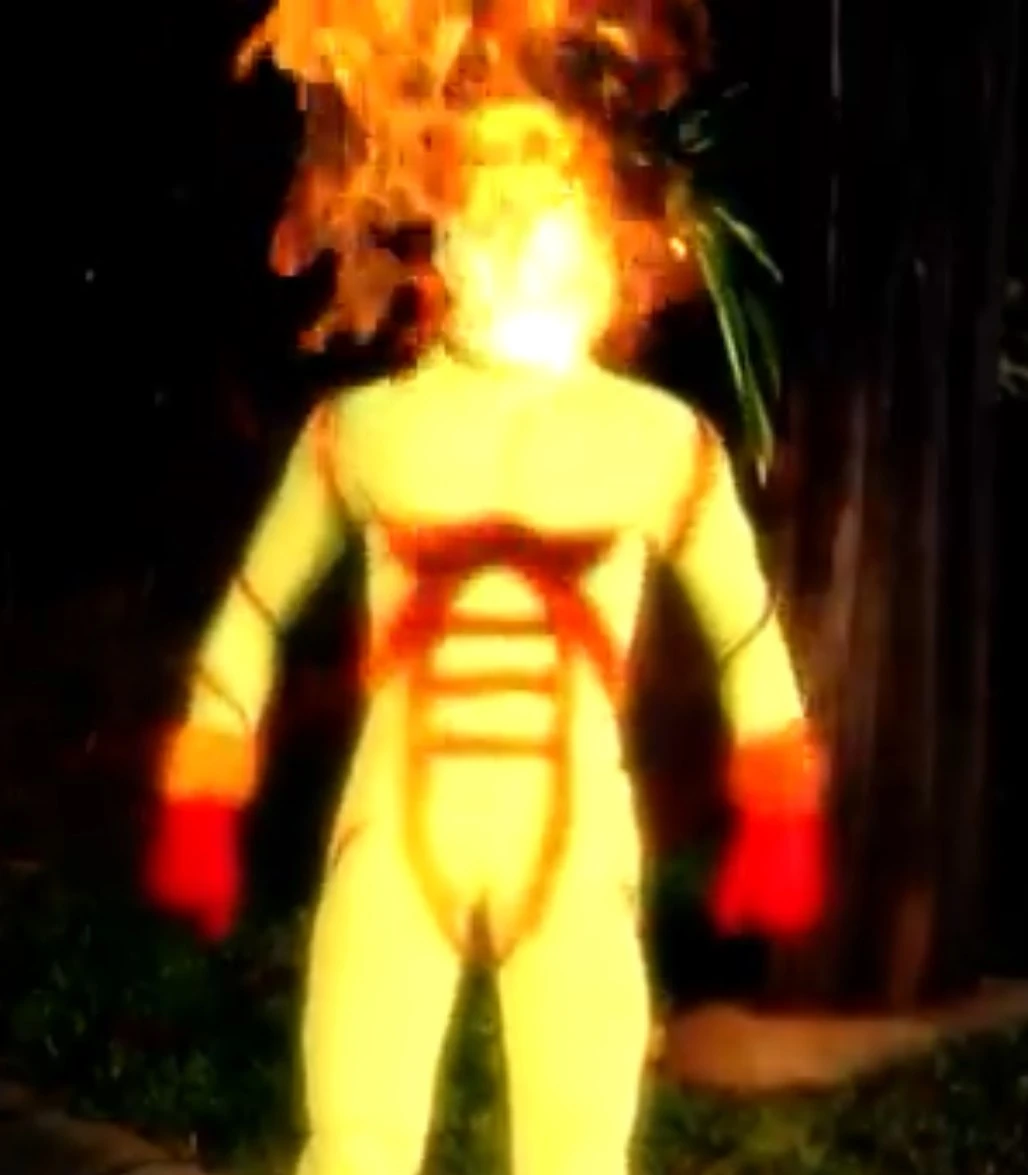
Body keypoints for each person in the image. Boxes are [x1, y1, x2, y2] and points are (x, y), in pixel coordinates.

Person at [144, 99, 827, 1175]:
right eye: (495, 209)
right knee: (356, 1138)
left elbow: (743, 628)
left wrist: (778, 803)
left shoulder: (658, 442)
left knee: (576, 1146)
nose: (520, 236)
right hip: (393, 831)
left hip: (575, 842)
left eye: (545, 208)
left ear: (596, 248)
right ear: (453, 248)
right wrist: (206, 777)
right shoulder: (362, 430)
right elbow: (256, 604)